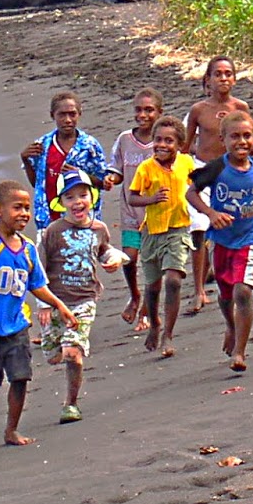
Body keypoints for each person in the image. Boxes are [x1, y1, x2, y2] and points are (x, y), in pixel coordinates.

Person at [0, 179, 79, 446]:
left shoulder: (27, 249)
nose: (24, 213)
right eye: (17, 207)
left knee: (21, 376)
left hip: (17, 325)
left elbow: (37, 285)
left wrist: (60, 306)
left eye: (27, 208)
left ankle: (11, 429)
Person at [187, 112, 253, 373]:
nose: (242, 142)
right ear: (223, 140)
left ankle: (240, 352)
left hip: (249, 239)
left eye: (247, 136)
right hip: (221, 241)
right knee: (224, 295)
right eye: (235, 136)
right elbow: (191, 193)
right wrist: (210, 213)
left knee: (243, 291)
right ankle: (231, 327)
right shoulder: (217, 168)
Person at [38, 169, 121, 422]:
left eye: (83, 195)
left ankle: (70, 404)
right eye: (70, 197)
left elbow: (105, 250)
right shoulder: (52, 232)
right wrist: (43, 303)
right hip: (55, 301)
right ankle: (53, 346)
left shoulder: (99, 229)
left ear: (92, 197)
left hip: (84, 300)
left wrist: (113, 258)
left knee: (72, 353)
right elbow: (39, 268)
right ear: (61, 203)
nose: (78, 202)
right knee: (54, 354)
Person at [183, 58, 253, 313]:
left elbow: (248, 140)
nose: (223, 79)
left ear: (234, 79)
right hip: (203, 171)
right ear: (208, 80)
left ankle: (230, 278)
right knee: (199, 227)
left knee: (229, 226)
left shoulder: (241, 107)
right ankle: (199, 289)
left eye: (228, 74)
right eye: (218, 74)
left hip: (230, 174)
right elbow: (186, 143)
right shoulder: (199, 110)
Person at [126, 116, 197, 359]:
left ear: (179, 144)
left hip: (178, 228)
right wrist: (152, 199)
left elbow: (198, 182)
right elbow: (132, 197)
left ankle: (168, 333)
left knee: (174, 281)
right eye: (158, 140)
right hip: (152, 232)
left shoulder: (186, 163)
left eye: (169, 141)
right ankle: (154, 322)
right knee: (153, 286)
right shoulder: (146, 168)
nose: (162, 145)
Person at [20, 91, 116, 231]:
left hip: (84, 219)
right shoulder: (43, 146)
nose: (67, 120)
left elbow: (103, 183)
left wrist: (82, 175)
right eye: (62, 114)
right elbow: (38, 184)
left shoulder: (89, 146)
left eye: (72, 114)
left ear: (79, 113)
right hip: (49, 219)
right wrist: (26, 160)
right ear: (52, 115)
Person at [107, 88, 162, 330]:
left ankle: (148, 308)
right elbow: (117, 171)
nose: (143, 115)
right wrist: (110, 179)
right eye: (139, 109)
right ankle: (135, 294)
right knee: (129, 257)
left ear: (159, 113)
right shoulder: (125, 140)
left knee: (153, 263)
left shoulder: (163, 142)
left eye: (149, 110)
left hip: (158, 213)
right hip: (130, 211)